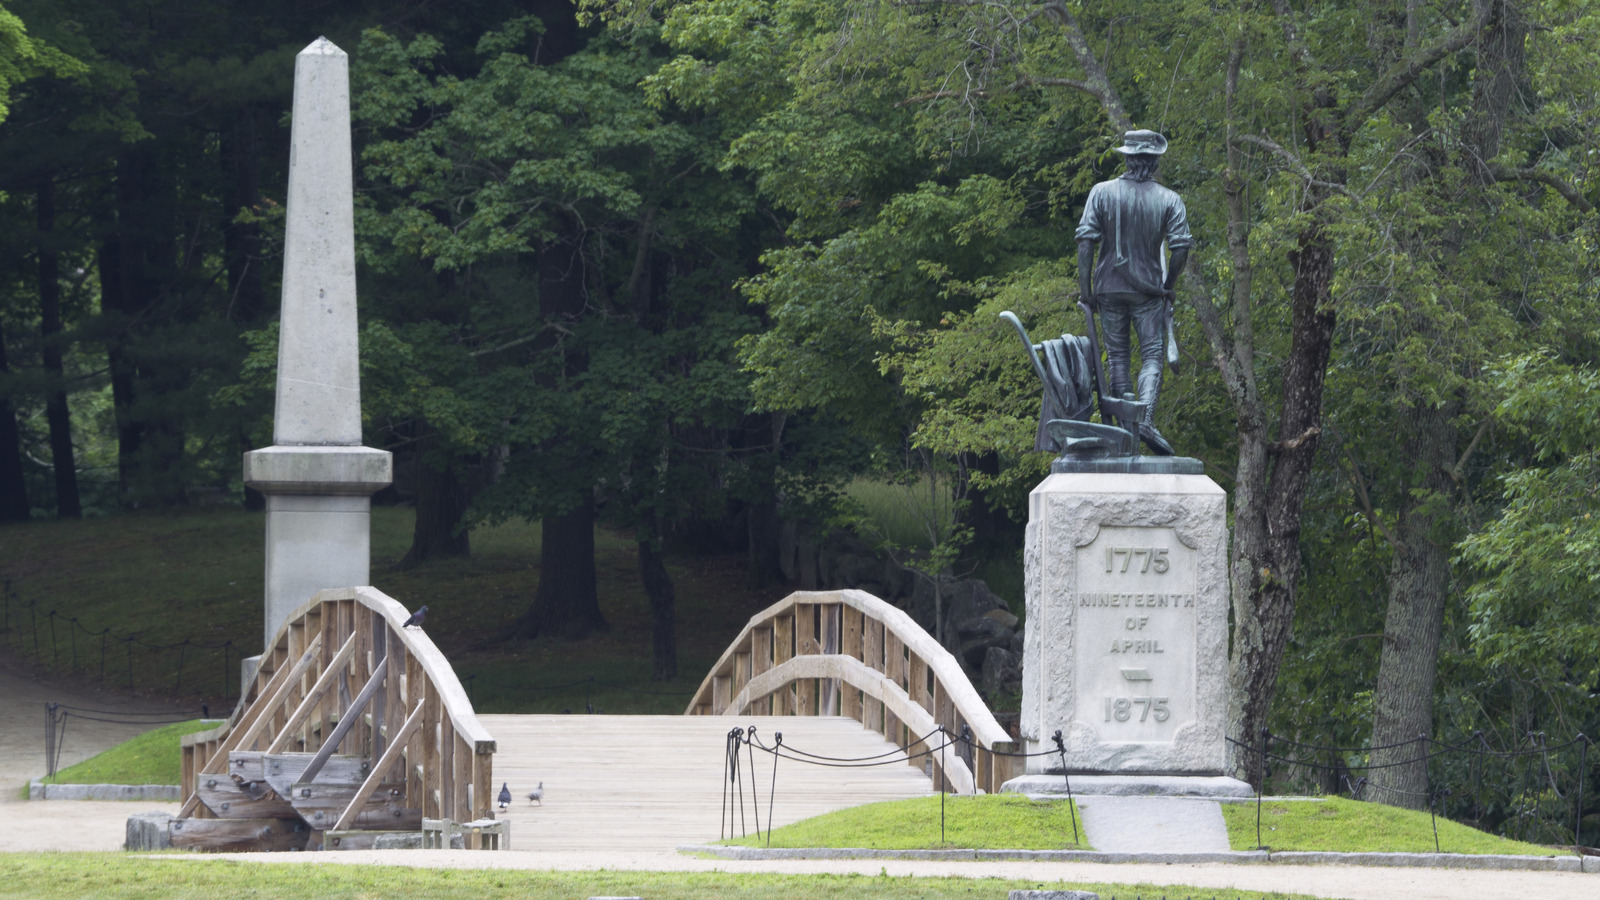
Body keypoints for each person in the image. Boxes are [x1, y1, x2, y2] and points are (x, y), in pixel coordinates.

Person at [1075, 129, 1192, 455]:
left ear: (1127, 157)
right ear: (1154, 161)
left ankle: (1127, 434)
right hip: (1148, 293)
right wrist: (1168, 288)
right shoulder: (1170, 199)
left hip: (1108, 289)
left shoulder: (1101, 192)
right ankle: (1145, 420)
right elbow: (1180, 249)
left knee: (1118, 359)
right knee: (1152, 356)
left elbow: (1086, 243)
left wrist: (1086, 292)